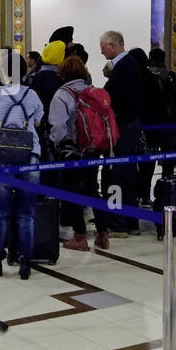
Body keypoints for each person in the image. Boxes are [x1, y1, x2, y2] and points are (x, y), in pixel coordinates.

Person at [0, 64, 45, 279]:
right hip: (30, 155)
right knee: (27, 214)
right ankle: (25, 262)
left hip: (1, 158)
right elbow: (38, 121)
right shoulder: (32, 94)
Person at [49, 56, 112, 251]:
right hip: (92, 148)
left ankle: (80, 236)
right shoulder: (91, 91)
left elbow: (58, 127)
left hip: (71, 151)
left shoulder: (61, 94)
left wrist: (55, 142)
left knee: (73, 192)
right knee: (93, 189)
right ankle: (102, 233)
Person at [99, 30, 144, 235]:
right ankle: (131, 221)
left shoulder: (124, 66)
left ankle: (119, 224)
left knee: (118, 175)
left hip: (123, 128)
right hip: (128, 126)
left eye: (104, 47)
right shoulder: (128, 64)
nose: (101, 51)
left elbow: (121, 98)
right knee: (128, 173)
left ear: (113, 45)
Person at [147, 47, 176, 179]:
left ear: (150, 59)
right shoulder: (174, 76)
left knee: (149, 160)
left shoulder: (148, 76)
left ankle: (144, 194)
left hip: (152, 124)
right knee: (169, 158)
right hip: (172, 124)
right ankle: (167, 189)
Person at [129, 46, 167, 203]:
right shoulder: (153, 78)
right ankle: (145, 195)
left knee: (131, 164)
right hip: (152, 128)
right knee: (148, 165)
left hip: (133, 127)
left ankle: (133, 196)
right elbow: (160, 104)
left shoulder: (130, 79)